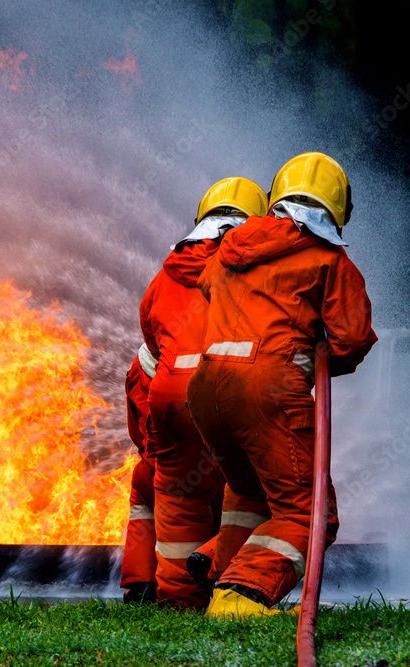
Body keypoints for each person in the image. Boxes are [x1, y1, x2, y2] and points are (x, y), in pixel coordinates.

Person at [186, 153, 378, 619]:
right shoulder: (330, 260)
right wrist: (317, 353)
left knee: (250, 493)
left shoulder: (230, 246)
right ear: (337, 208)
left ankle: (220, 575)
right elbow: (351, 340)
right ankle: (242, 597)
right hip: (269, 390)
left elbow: (207, 286)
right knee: (309, 511)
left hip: (207, 389)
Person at [140, 177, 269, 608]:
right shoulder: (257, 263)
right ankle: (232, 587)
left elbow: (147, 360)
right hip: (229, 390)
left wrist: (150, 443)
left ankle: (179, 600)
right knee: (261, 491)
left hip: (172, 396)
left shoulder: (165, 274)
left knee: (178, 497)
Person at [120, 346, 158, 603]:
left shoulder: (141, 362)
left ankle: (141, 586)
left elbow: (138, 433)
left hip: (156, 467)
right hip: (204, 472)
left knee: (142, 496)